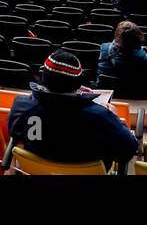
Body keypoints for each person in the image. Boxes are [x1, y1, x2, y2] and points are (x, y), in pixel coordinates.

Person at [7, 50, 138, 169]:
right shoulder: (101, 117)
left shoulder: (22, 105)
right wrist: (115, 118)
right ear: (78, 84)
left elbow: (15, 132)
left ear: (43, 76)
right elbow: (127, 151)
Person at [96, 21, 147, 92]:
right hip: (136, 94)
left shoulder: (104, 48)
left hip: (107, 94)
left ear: (116, 36)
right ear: (138, 39)